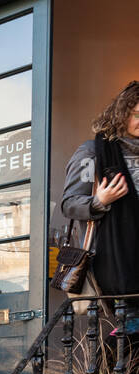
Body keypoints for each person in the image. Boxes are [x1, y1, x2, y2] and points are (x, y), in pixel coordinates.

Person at [62, 80, 139, 330]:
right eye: (137, 114)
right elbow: (69, 204)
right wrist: (100, 201)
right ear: (121, 114)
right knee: (130, 331)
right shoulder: (93, 152)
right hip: (117, 263)